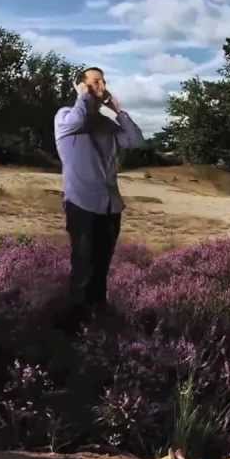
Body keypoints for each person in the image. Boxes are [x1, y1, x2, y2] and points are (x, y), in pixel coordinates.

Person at [54, 66, 145, 325]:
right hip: (81, 205)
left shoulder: (108, 124)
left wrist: (118, 111)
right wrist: (83, 96)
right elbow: (78, 120)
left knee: (101, 270)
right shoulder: (65, 118)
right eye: (95, 82)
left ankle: (98, 325)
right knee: (83, 269)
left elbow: (136, 141)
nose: (101, 87)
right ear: (80, 86)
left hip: (110, 207)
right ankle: (74, 328)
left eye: (103, 82)